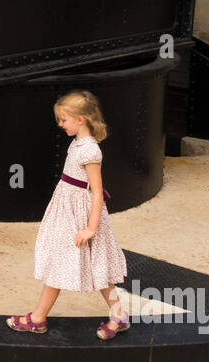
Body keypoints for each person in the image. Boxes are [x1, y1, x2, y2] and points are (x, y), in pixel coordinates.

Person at [7, 91, 129, 340]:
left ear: (81, 119)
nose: (60, 124)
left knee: (66, 262)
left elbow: (96, 193)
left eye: (64, 119)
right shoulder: (78, 143)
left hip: (81, 215)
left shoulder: (90, 151)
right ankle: (119, 315)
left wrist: (90, 228)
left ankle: (38, 318)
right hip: (68, 209)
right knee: (90, 265)